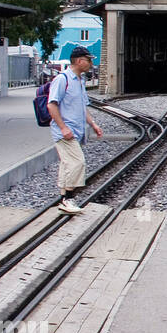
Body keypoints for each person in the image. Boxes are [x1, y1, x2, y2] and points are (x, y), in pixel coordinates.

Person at [47, 45, 103, 215]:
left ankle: (64, 198)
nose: (90, 63)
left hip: (76, 131)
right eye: (88, 60)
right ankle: (68, 199)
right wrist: (63, 127)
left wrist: (93, 124)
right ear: (79, 61)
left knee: (67, 164)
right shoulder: (62, 79)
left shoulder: (79, 80)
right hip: (65, 132)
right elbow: (51, 104)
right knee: (77, 162)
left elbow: (82, 106)